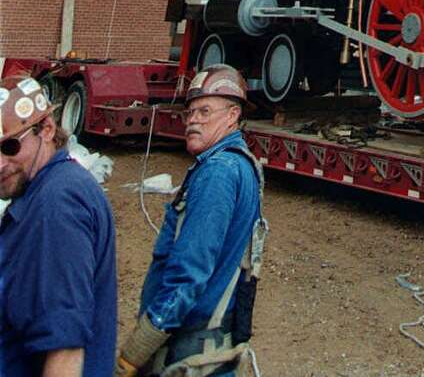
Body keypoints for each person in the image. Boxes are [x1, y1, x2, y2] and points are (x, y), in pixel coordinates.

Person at [117, 65, 265, 377]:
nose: (193, 120)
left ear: (232, 116)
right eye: (190, 112)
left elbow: (189, 274)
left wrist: (135, 353)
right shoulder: (240, 165)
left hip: (192, 355)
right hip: (209, 347)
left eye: (205, 111)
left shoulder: (219, 172)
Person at [0, 73, 118, 377]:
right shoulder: (42, 192)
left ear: (47, 129)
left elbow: (64, 346)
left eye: (9, 147)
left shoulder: (56, 205)